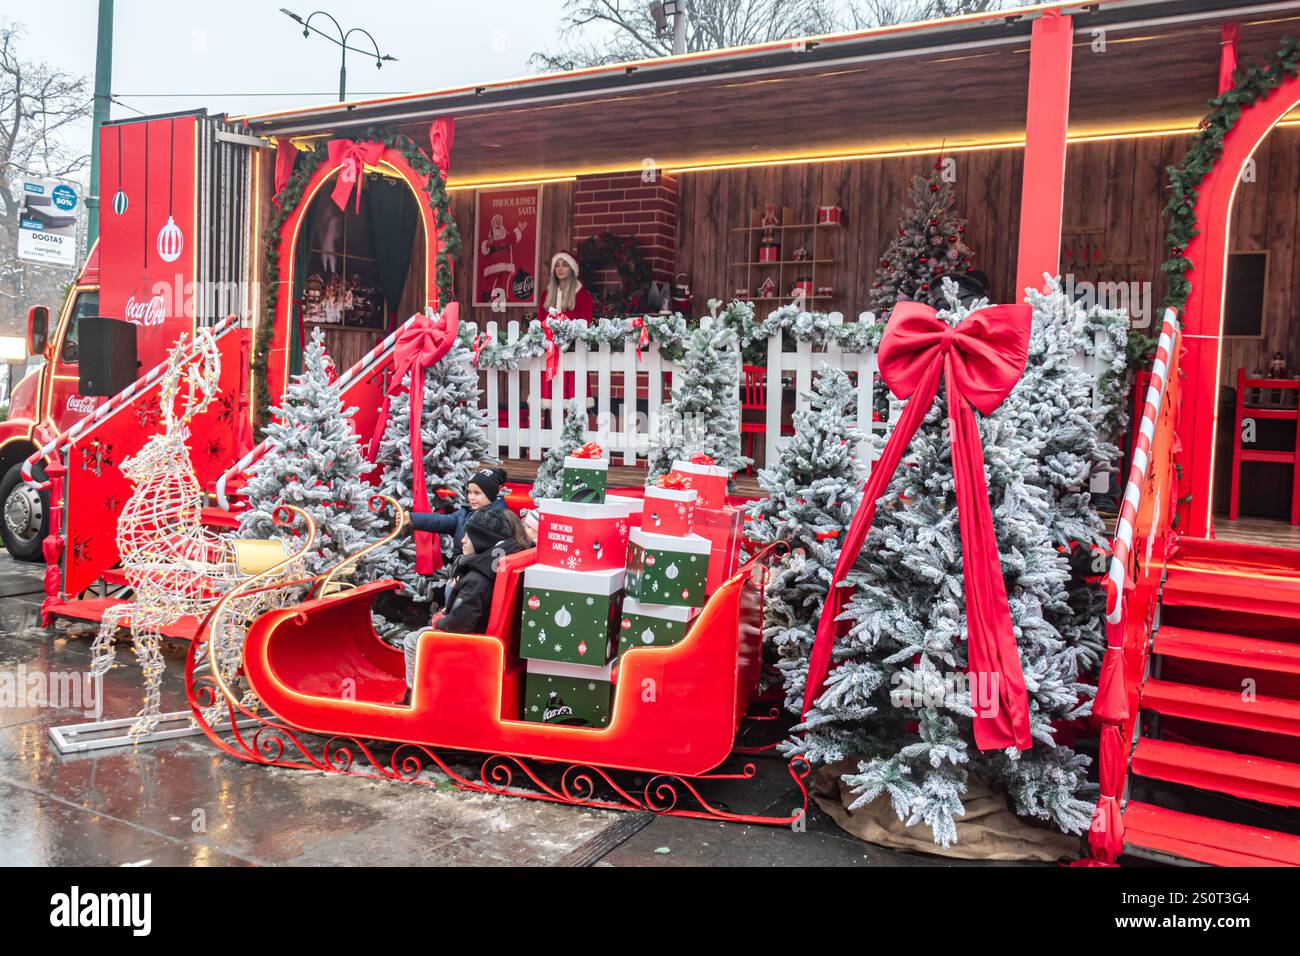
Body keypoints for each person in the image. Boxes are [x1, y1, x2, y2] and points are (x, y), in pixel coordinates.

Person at [400, 508, 519, 705]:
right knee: (423, 632)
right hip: (476, 631)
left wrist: (440, 622)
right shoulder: (486, 566)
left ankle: (415, 698)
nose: (462, 540)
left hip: (470, 639)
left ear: (481, 541)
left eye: (468, 537)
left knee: (414, 640)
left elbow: (460, 623)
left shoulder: (477, 579)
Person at [408, 467, 509, 555]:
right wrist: (412, 518)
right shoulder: (467, 512)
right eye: (469, 492)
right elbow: (441, 521)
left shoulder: (496, 519)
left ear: (490, 494)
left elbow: (481, 556)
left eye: (477, 493)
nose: (471, 497)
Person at [542, 251, 593, 321]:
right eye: (557, 265)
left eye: (565, 265)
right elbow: (540, 323)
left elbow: (585, 324)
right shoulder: (545, 295)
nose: (560, 269)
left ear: (572, 269)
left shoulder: (583, 295)